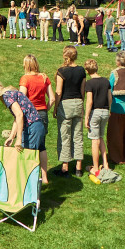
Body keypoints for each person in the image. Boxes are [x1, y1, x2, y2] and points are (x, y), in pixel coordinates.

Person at [0, 78, 46, 159]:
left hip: (31, 128)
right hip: (37, 125)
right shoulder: (11, 92)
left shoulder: (7, 96)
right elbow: (17, 118)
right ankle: (44, 172)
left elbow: (19, 115)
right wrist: (11, 137)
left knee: (27, 158)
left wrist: (18, 139)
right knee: (40, 151)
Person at [18, 54, 54, 183]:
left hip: (30, 116)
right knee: (42, 145)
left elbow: (21, 99)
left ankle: (29, 175)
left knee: (28, 144)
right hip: (42, 113)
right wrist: (44, 109)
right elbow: (53, 98)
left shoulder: (25, 79)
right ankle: (44, 176)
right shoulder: (44, 78)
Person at [53, 45, 85, 176]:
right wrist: (81, 103)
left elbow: (59, 91)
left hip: (65, 104)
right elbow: (83, 90)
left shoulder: (62, 71)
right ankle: (78, 167)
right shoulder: (81, 70)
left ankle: (65, 167)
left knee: (64, 136)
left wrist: (55, 106)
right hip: (78, 102)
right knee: (78, 136)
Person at [83, 59, 111, 179]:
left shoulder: (89, 83)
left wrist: (86, 116)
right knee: (100, 137)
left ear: (87, 70)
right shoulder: (106, 81)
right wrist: (109, 110)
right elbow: (110, 97)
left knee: (95, 141)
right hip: (105, 111)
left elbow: (89, 101)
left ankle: (95, 167)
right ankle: (105, 164)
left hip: (95, 112)